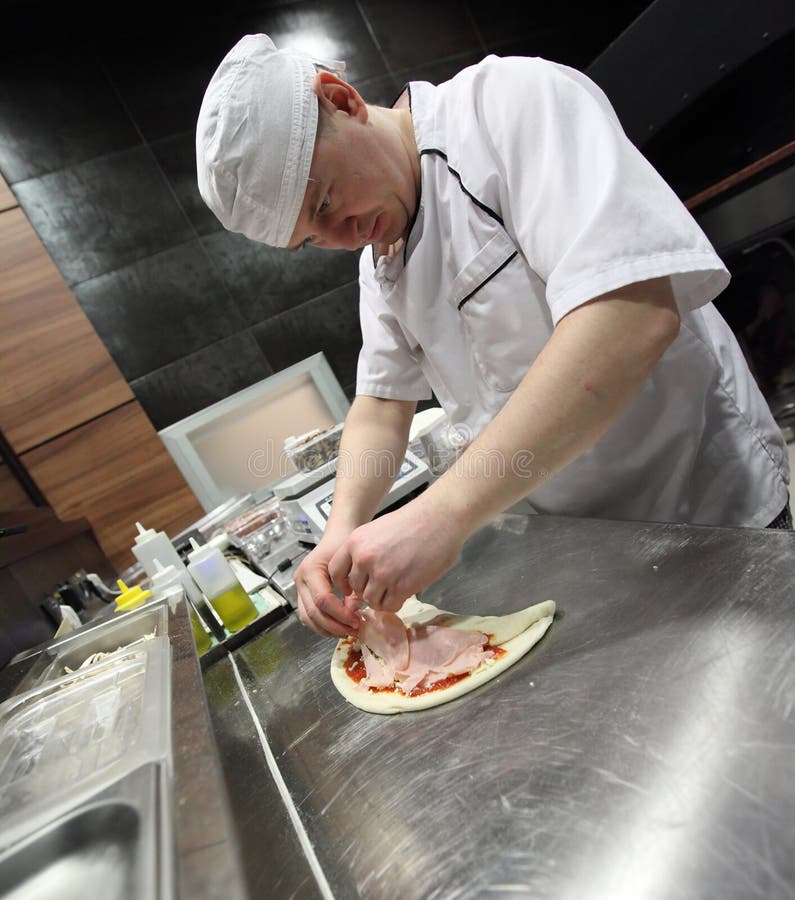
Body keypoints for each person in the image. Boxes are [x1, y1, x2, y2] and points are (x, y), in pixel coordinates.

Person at [196, 34, 791, 638]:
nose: (343, 237)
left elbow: (629, 315)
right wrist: (339, 529)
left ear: (341, 100)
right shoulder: (380, 257)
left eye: (326, 201)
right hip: (596, 551)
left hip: (711, 510)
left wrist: (442, 514)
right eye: (312, 239)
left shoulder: (505, 108)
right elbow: (380, 405)